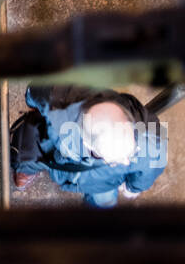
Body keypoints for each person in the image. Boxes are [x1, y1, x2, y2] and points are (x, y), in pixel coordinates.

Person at [10, 85, 167, 207]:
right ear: (87, 143)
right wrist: (131, 188)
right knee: (26, 150)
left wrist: (135, 187)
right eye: (117, 158)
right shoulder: (58, 96)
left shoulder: (151, 138)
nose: (126, 161)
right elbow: (35, 91)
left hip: (97, 182)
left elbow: (152, 167)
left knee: (103, 201)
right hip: (79, 166)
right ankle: (26, 169)